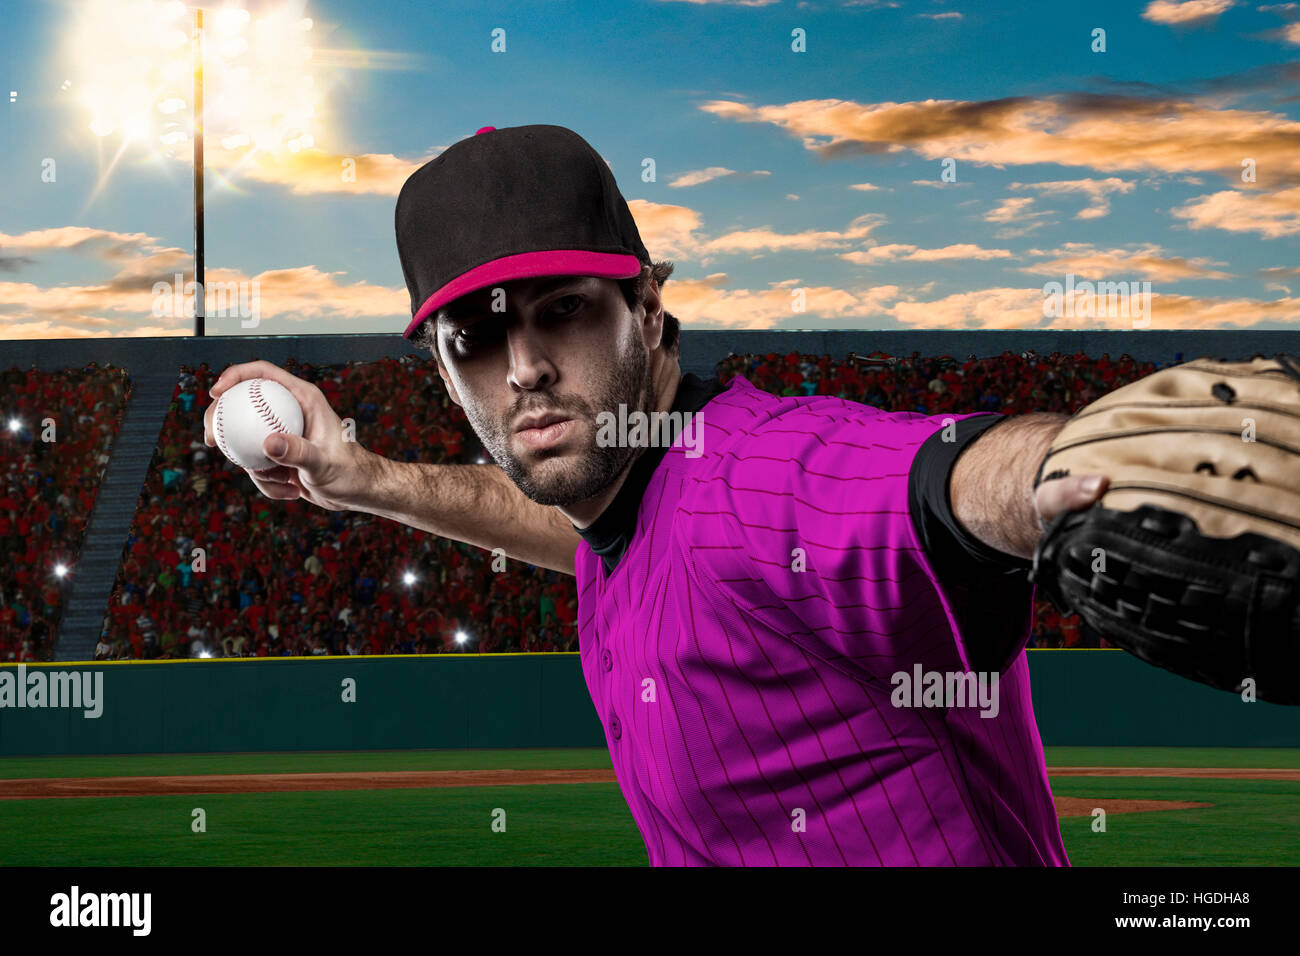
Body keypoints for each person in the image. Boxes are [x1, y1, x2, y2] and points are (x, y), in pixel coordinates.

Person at [204, 124, 1109, 867]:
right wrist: (360, 477)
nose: (524, 369)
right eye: (476, 336)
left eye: (563, 308)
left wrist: (1100, 466)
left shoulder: (760, 478)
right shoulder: (626, 502)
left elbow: (940, 480)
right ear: (442, 374)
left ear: (645, 305)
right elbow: (569, 523)